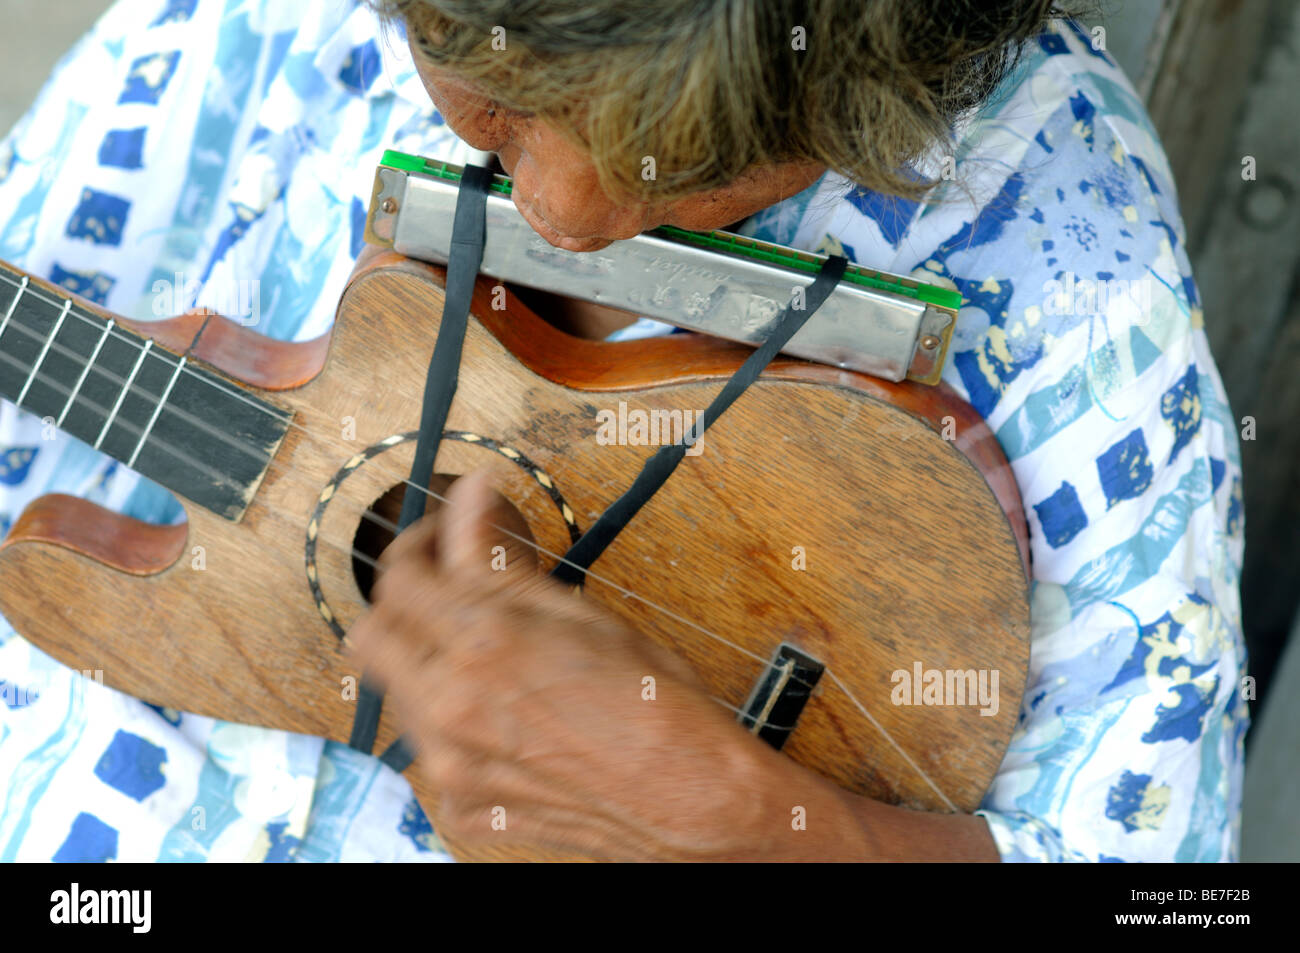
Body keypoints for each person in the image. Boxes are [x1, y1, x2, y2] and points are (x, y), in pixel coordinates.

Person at [0, 0, 1246, 861]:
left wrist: (751, 830)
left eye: (707, 161)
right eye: (489, 104)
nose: (565, 207)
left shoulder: (1071, 257)